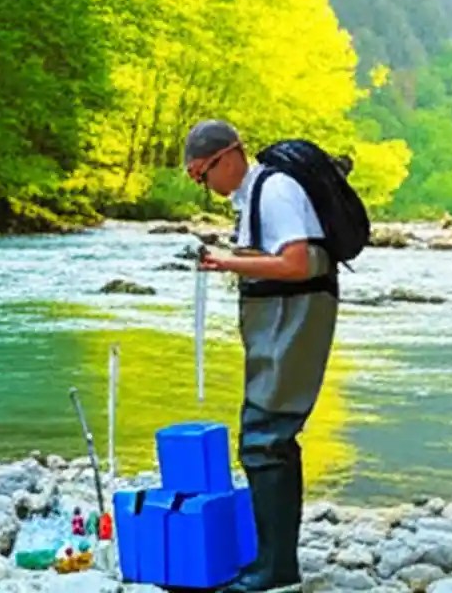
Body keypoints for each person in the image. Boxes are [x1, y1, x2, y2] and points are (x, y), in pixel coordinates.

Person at [183, 120, 339, 593]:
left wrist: (226, 262)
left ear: (229, 155)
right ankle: (271, 559)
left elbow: (297, 262)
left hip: (295, 319)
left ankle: (275, 570)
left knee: (265, 439)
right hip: (280, 321)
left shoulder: (275, 191)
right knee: (267, 438)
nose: (205, 186)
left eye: (202, 175)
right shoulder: (256, 194)